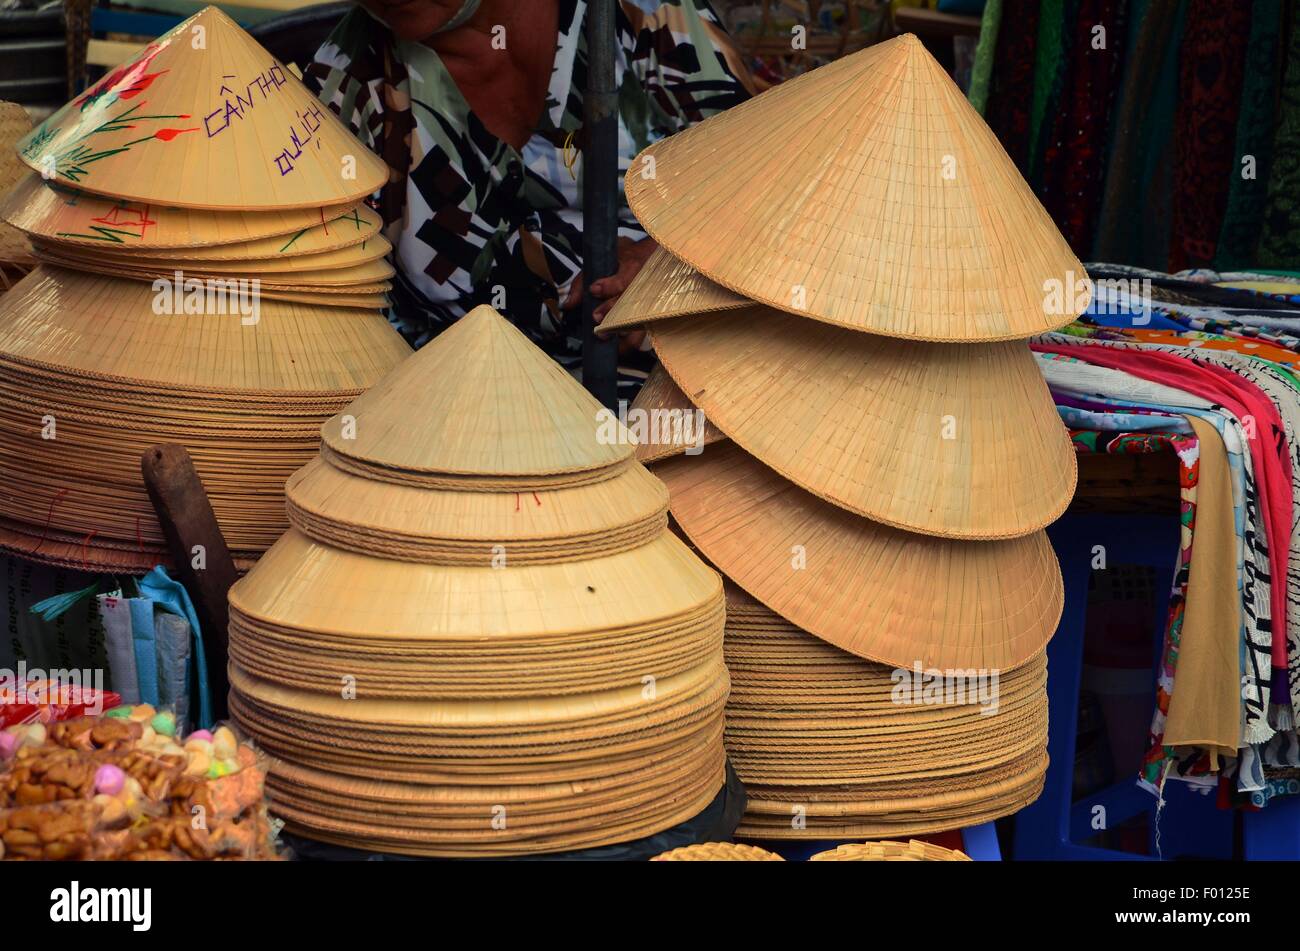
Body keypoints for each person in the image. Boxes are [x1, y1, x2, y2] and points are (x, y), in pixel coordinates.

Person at [307, 0, 754, 399]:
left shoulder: (646, 18)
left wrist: (665, 260)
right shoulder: (345, 85)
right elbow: (320, 301)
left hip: (681, 390)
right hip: (447, 415)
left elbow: (777, 194)